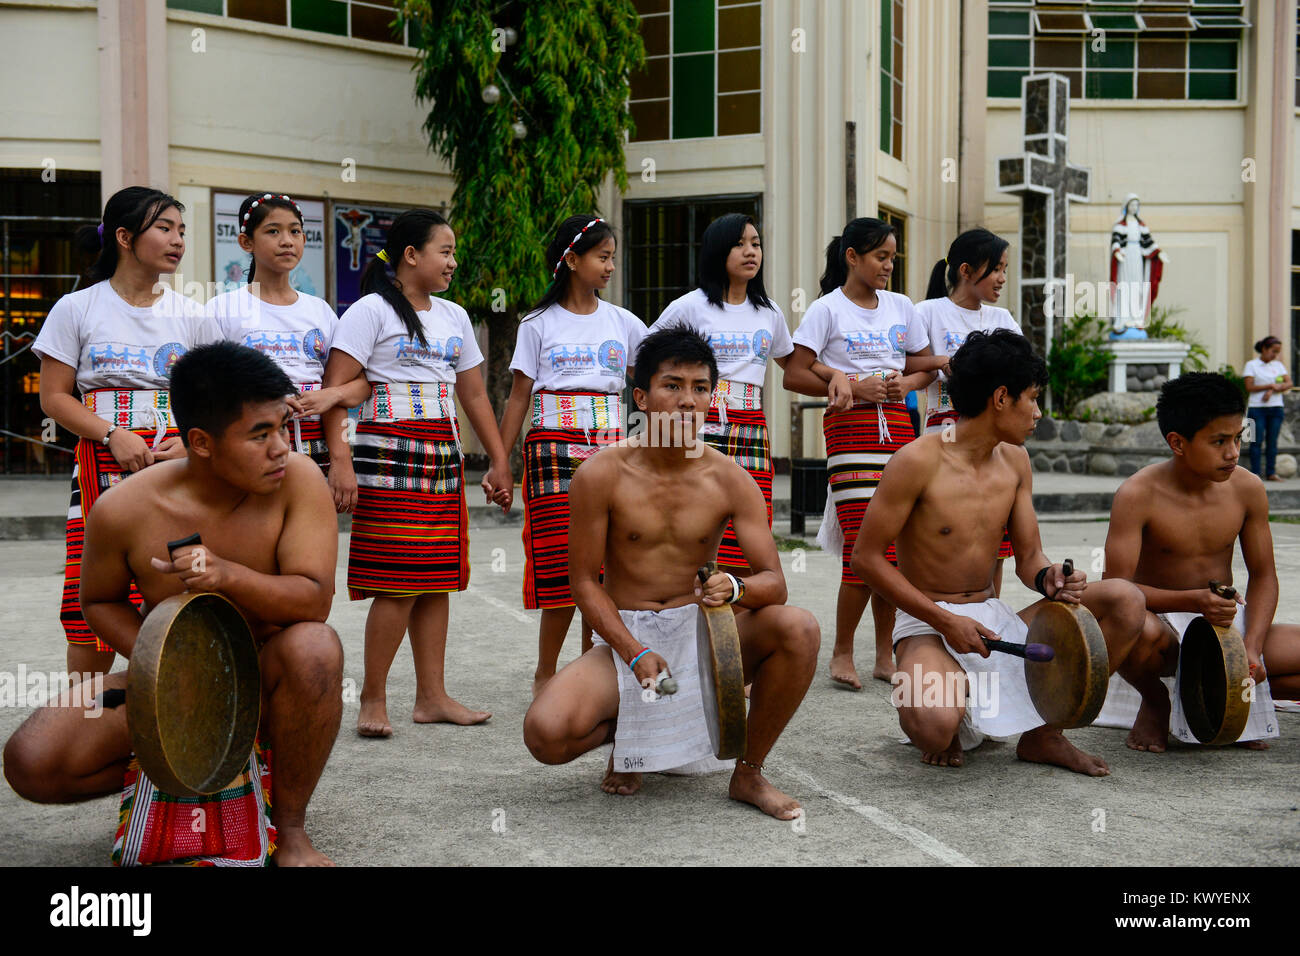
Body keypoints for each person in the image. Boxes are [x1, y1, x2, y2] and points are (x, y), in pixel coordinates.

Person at [3, 342, 344, 866]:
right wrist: (169, 664)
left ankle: (292, 827)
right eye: (259, 434)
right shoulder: (124, 508)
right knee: (33, 760)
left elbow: (313, 601)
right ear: (202, 443)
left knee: (316, 649)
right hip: (170, 687)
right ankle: (180, 775)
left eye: (282, 427)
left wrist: (227, 574)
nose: (281, 447)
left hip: (270, 680)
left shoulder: (298, 481)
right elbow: (98, 601)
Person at [522, 325, 820, 820]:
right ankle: (633, 734)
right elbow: (583, 583)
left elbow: (774, 584)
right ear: (641, 396)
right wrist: (633, 651)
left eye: (700, 388)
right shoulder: (600, 474)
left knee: (800, 627)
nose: (687, 401)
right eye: (672, 386)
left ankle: (749, 773)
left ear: (712, 397)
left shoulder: (731, 478)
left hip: (702, 631)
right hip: (629, 635)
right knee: (545, 735)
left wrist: (735, 586)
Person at [854, 329, 1152, 775]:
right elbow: (866, 558)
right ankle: (950, 701)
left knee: (1126, 600)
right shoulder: (916, 461)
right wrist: (946, 621)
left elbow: (1029, 558)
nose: (1036, 413)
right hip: (928, 622)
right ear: (1000, 398)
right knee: (934, 727)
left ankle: (1044, 736)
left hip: (996, 621)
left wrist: (1050, 577)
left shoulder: (1015, 461)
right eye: (1031, 399)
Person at [322, 209, 512, 737]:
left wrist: (498, 459)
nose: (453, 262)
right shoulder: (370, 311)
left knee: (435, 582)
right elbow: (336, 394)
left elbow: (472, 394)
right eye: (444, 251)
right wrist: (340, 463)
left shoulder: (453, 317)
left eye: (453, 252)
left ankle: (432, 696)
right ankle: (373, 698)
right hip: (387, 458)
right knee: (397, 583)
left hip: (443, 461)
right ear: (411, 255)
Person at [33, 186, 206, 681]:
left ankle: (171, 719)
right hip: (99, 469)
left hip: (176, 470)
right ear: (126, 237)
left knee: (176, 586)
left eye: (181, 231)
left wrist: (187, 440)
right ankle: (86, 723)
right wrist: (112, 434)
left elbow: (210, 396)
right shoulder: (78, 309)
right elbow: (55, 398)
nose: (177, 241)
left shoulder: (192, 315)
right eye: (165, 228)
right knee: (93, 597)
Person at [1098, 372, 1300, 751]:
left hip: (1224, 626)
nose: (1233, 452)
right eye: (1219, 442)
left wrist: (1251, 649)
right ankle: (1155, 701)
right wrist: (1192, 601)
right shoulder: (1137, 494)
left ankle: (1222, 700)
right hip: (1160, 630)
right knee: (1134, 626)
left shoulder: (1248, 488)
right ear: (1177, 442)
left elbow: (1264, 576)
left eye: (1238, 438)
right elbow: (1115, 592)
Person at [497, 216, 645, 697]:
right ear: (572, 260)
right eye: (602, 257)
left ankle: (591, 668)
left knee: (606, 565)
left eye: (612, 257)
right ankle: (545, 670)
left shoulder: (623, 323)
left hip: (610, 449)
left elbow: (654, 379)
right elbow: (518, 396)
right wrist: (501, 461)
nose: (609, 266)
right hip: (551, 449)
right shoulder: (537, 324)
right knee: (562, 565)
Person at [782, 217, 932, 689]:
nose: (889, 265)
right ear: (852, 257)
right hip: (849, 432)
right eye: (880, 257)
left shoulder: (903, 307)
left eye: (893, 257)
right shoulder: (827, 310)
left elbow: (921, 367)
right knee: (862, 548)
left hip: (900, 430)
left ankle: (884, 653)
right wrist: (842, 381)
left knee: (894, 548)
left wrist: (899, 385)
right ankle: (843, 651)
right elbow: (794, 374)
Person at [651, 214, 813, 574]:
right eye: (739, 244)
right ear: (718, 251)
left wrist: (837, 377)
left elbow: (795, 365)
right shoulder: (690, 306)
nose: (750, 251)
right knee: (698, 512)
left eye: (755, 244)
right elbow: (644, 358)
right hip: (701, 423)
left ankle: (742, 607)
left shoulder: (769, 313)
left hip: (751, 426)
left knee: (752, 514)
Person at [203, 192, 369, 472]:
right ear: (246, 242)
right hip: (250, 449)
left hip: (317, 452)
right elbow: (205, 387)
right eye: (273, 231)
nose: (287, 241)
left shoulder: (321, 312)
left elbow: (362, 384)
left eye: (295, 231)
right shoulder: (222, 309)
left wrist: (331, 396)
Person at [913, 228, 1021, 596]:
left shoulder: (1003, 318)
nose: (1003, 278)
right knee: (941, 524)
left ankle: (988, 606)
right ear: (965, 270)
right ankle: (935, 610)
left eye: (1005, 269)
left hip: (992, 436)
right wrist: (941, 362)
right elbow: (907, 361)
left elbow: (1023, 370)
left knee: (993, 526)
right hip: (940, 431)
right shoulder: (927, 312)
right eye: (996, 269)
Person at [1242, 336, 1291, 481]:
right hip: (1257, 409)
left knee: (1272, 441)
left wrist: (1274, 389)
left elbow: (1288, 383)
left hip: (1276, 408)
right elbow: (1249, 386)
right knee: (1256, 441)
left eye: (1278, 352)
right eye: (1273, 351)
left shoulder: (1278, 366)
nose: (1275, 355)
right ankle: (1255, 473)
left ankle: (1271, 472)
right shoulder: (1252, 365)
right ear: (1264, 349)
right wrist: (1270, 386)